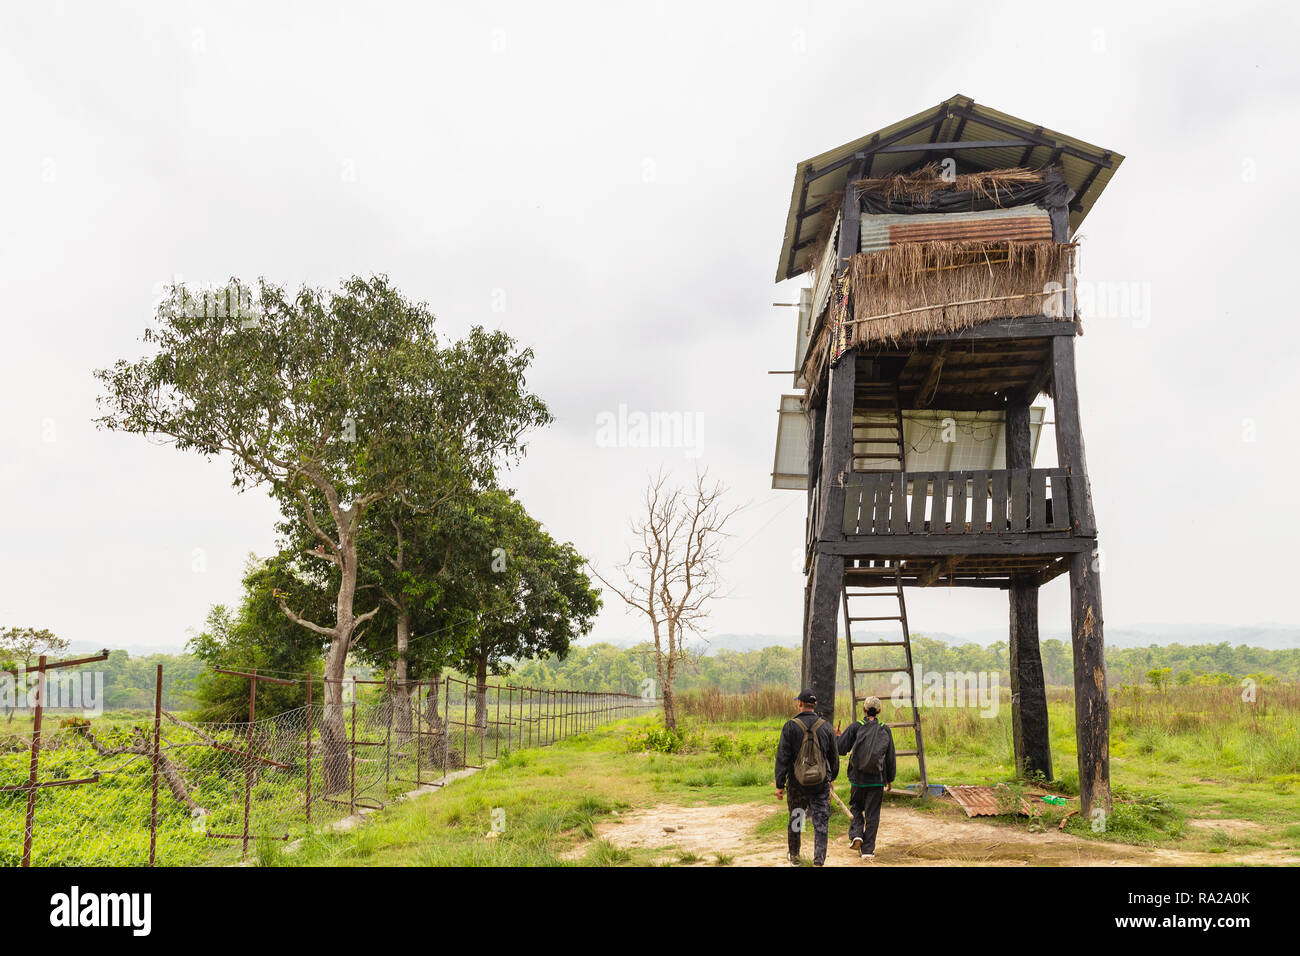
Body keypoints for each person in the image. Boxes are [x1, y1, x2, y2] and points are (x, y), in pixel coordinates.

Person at [773, 689, 839, 866]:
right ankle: (818, 861)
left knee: (797, 818)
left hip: (796, 785)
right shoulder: (826, 727)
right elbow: (834, 757)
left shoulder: (790, 726)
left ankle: (795, 856)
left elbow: (782, 757)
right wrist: (831, 779)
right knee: (821, 823)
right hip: (820, 784)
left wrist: (780, 784)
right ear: (815, 705)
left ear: (800, 704)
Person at [835, 695, 896, 860]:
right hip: (877, 780)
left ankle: (856, 834)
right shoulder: (885, 729)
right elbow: (890, 758)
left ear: (863, 709)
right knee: (873, 814)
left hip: (858, 779)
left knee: (855, 806)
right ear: (879, 711)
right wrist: (889, 779)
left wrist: (838, 736)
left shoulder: (856, 726)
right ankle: (868, 850)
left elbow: (840, 748)